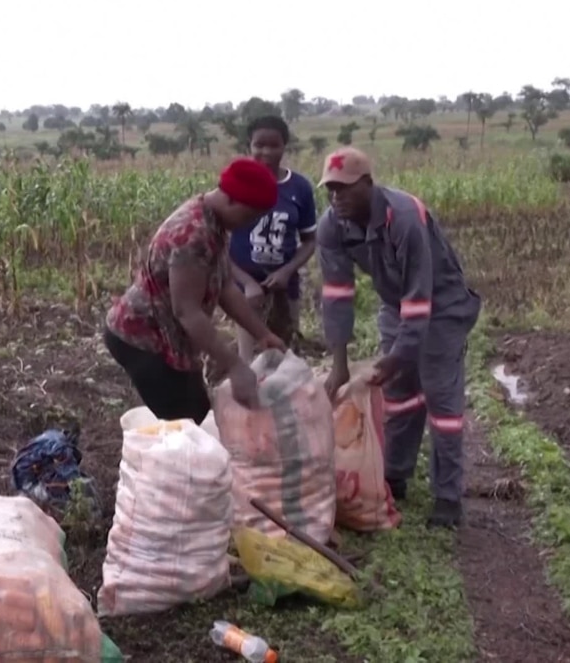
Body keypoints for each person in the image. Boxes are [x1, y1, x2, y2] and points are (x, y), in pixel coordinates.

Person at [315, 146, 482, 530]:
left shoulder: (404, 217)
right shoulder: (332, 226)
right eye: (331, 190)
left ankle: (448, 496)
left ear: (368, 184)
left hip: (442, 304)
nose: (337, 198)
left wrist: (397, 356)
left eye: (345, 188)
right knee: (400, 395)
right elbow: (337, 295)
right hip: (396, 304)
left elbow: (420, 297)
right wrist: (340, 366)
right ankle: (396, 473)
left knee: (440, 398)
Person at [104, 157, 288, 425]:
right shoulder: (193, 234)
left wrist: (263, 334)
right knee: (186, 425)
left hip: (171, 337)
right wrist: (235, 365)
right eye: (249, 216)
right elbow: (187, 312)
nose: (249, 224)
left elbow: (225, 287)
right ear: (232, 199)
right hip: (142, 339)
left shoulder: (214, 222)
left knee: (195, 414)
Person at [227, 115, 318, 361]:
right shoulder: (237, 184)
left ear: (284, 146)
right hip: (245, 290)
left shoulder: (299, 188)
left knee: (285, 355)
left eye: (274, 145)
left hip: (284, 287)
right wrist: (247, 283)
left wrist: (286, 271)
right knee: (248, 360)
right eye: (259, 145)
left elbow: (310, 240)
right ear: (249, 146)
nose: (266, 152)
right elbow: (218, 243)